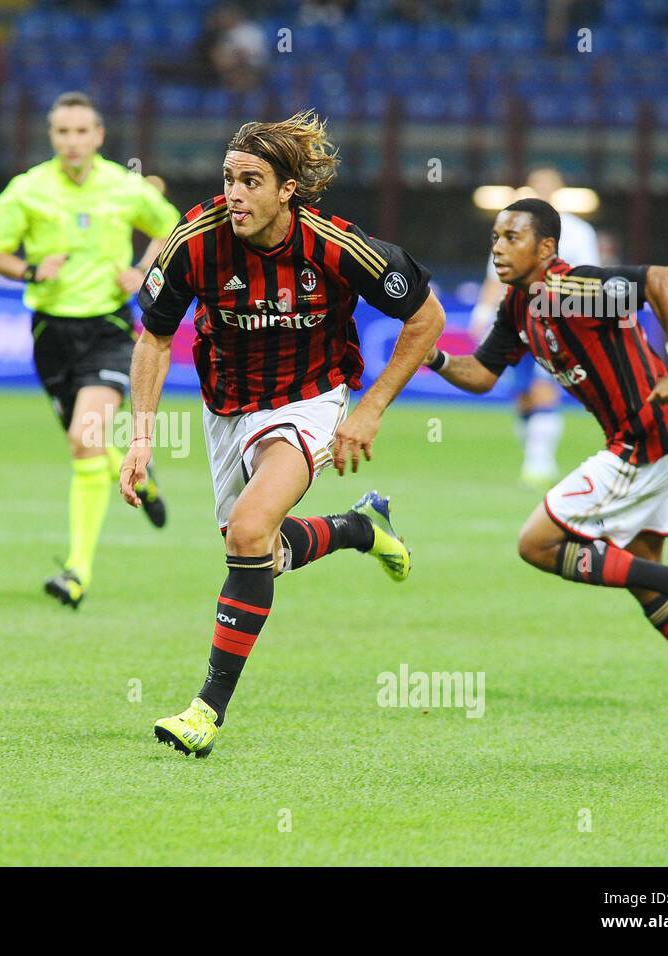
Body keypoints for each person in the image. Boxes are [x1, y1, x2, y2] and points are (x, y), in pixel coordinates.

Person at [121, 111, 444, 757]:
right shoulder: (195, 239)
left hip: (309, 398)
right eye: (228, 179)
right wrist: (140, 437)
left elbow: (426, 318)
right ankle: (360, 527)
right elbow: (155, 336)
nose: (234, 193)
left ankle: (205, 712)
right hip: (227, 405)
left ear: (287, 189)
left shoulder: (337, 246)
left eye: (251, 180)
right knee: (258, 552)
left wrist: (372, 408)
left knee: (248, 530)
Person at [425, 198, 668, 715]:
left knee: (536, 543)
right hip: (655, 441)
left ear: (546, 248)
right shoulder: (520, 305)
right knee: (639, 574)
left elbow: (663, 279)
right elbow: (483, 374)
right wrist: (436, 355)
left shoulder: (573, 291)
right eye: (494, 236)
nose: (497, 248)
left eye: (512, 237)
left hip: (646, 441)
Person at [0, 91, 181, 608]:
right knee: (86, 442)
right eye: (62, 132)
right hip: (52, 334)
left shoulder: (122, 185)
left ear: (98, 136)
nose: (72, 141)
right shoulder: (27, 190)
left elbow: (170, 226)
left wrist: (143, 271)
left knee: (82, 439)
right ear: (52, 137)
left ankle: (77, 573)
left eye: (81, 131)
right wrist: (27, 269)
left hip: (110, 329)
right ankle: (138, 477)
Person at [470, 168, 600, 488]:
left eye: (548, 187)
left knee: (545, 385)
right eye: (537, 186)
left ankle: (539, 462)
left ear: (558, 191)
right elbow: (496, 276)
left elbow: (591, 279)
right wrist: (483, 312)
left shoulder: (579, 232)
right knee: (523, 392)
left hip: (558, 320)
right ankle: (534, 453)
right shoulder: (511, 229)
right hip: (516, 320)